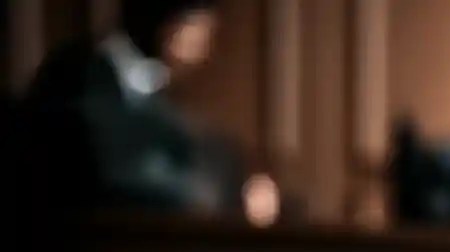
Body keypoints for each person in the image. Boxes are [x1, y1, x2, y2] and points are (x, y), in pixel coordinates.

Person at [14, 0, 278, 225]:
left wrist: (242, 187)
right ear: (176, 24)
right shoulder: (82, 76)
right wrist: (227, 197)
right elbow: (123, 177)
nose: (206, 42)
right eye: (203, 25)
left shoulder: (144, 89)